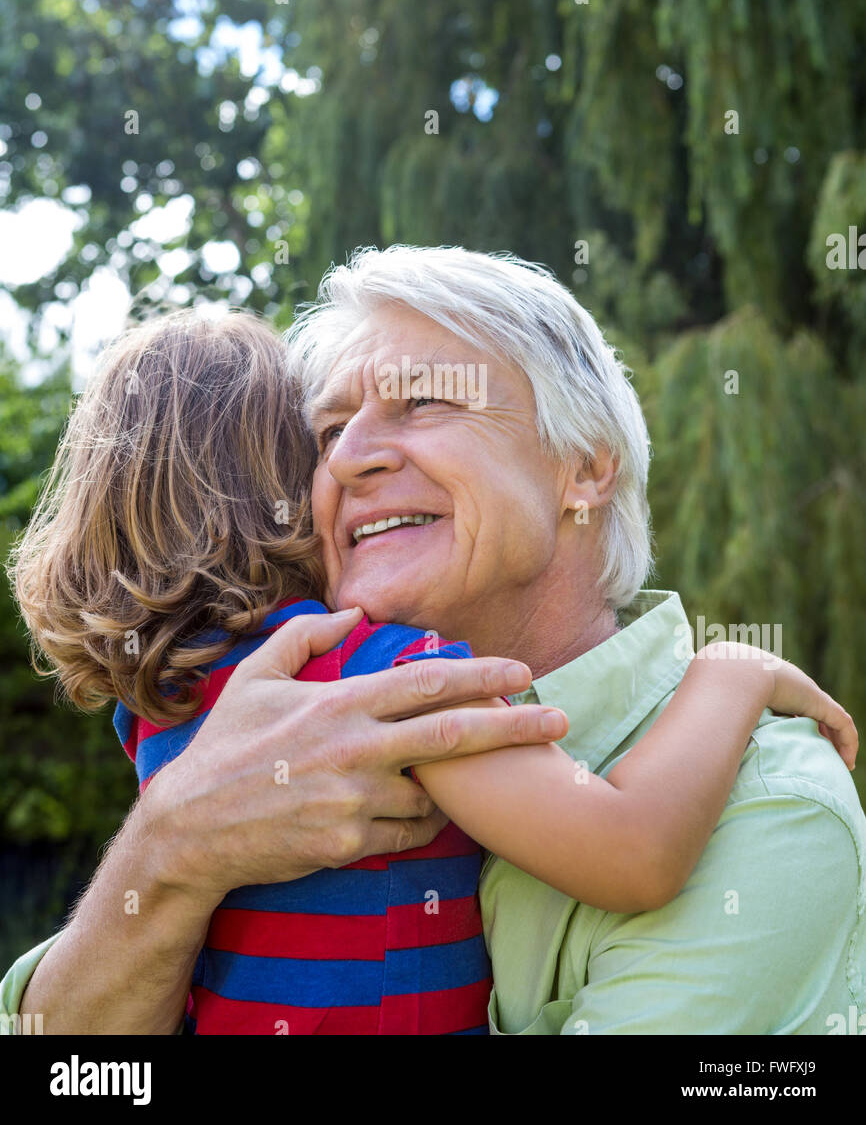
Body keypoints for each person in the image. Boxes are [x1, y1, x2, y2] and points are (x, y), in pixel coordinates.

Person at [3, 245, 865, 1034]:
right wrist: (165, 854)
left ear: (586, 468)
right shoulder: (302, 714)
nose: (349, 460)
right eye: (330, 433)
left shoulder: (769, 809)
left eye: (424, 401)